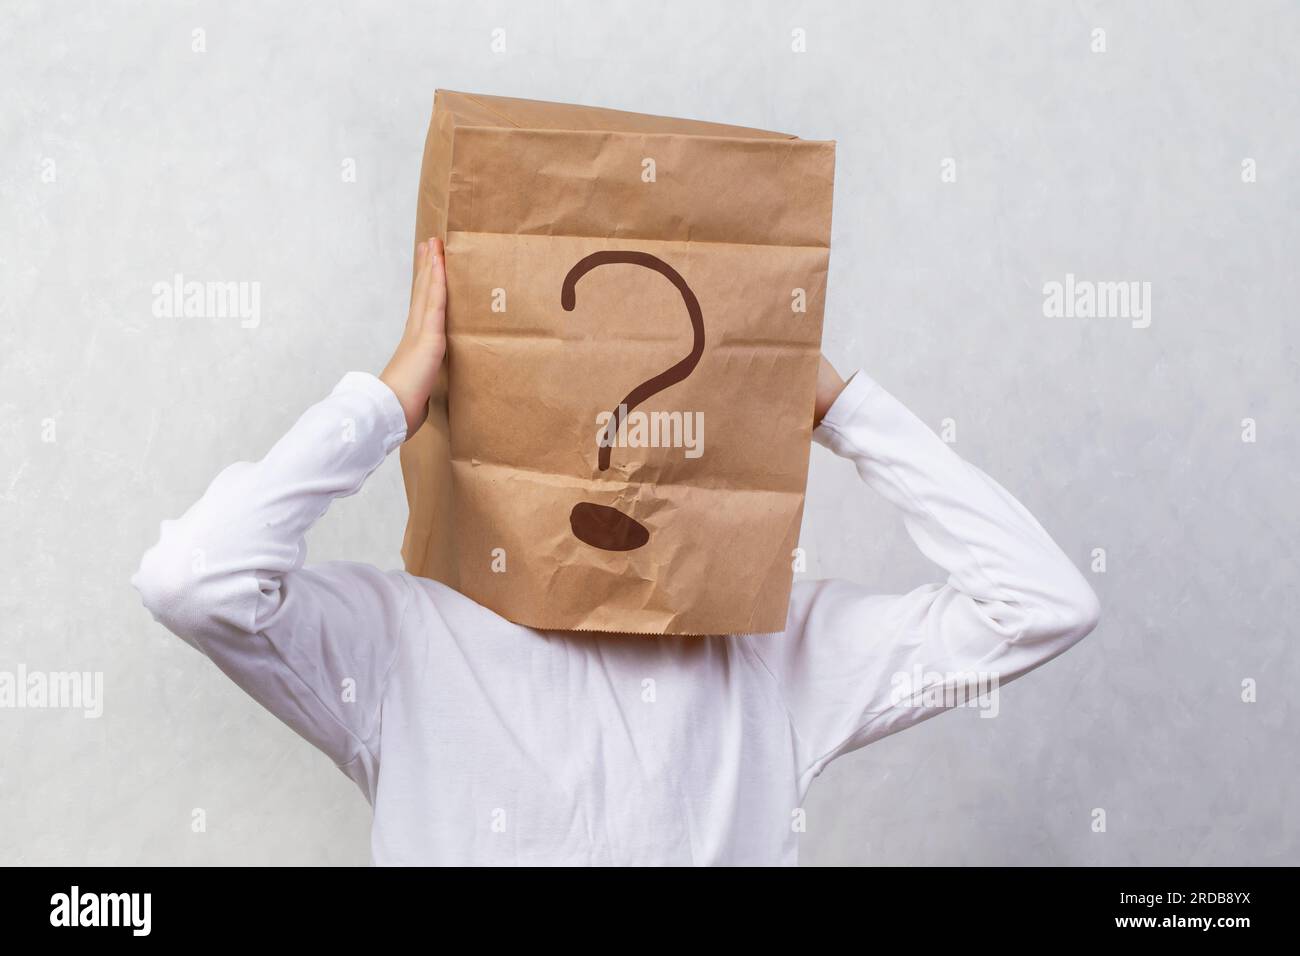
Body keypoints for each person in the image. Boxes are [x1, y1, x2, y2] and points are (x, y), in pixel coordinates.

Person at [133, 237, 1100, 865]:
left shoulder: (764, 652)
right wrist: (386, 402)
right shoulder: (403, 641)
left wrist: (837, 407)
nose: (612, 447)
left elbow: (1043, 604)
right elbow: (195, 579)